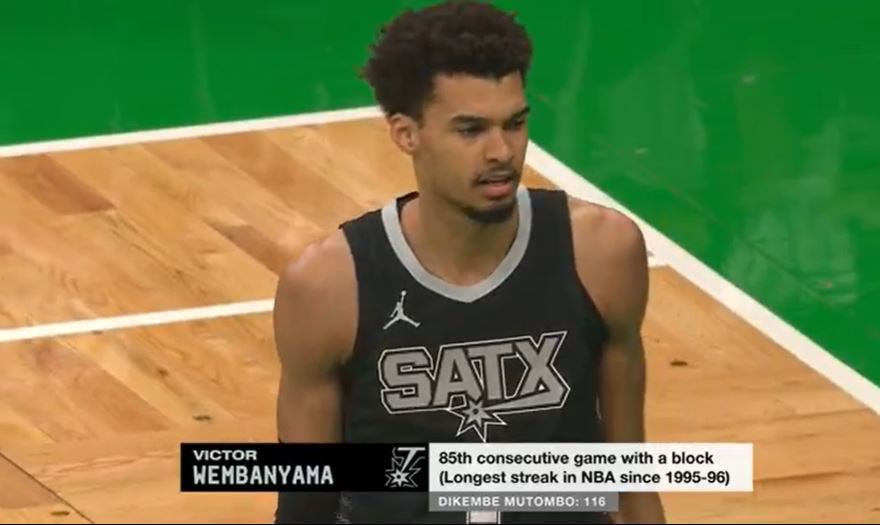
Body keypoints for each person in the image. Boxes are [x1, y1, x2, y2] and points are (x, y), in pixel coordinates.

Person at [272, 1, 666, 523]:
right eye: (470, 130)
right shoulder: (328, 286)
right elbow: (305, 503)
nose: (502, 151)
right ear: (406, 133)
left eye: (515, 123)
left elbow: (628, 481)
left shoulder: (601, 253)